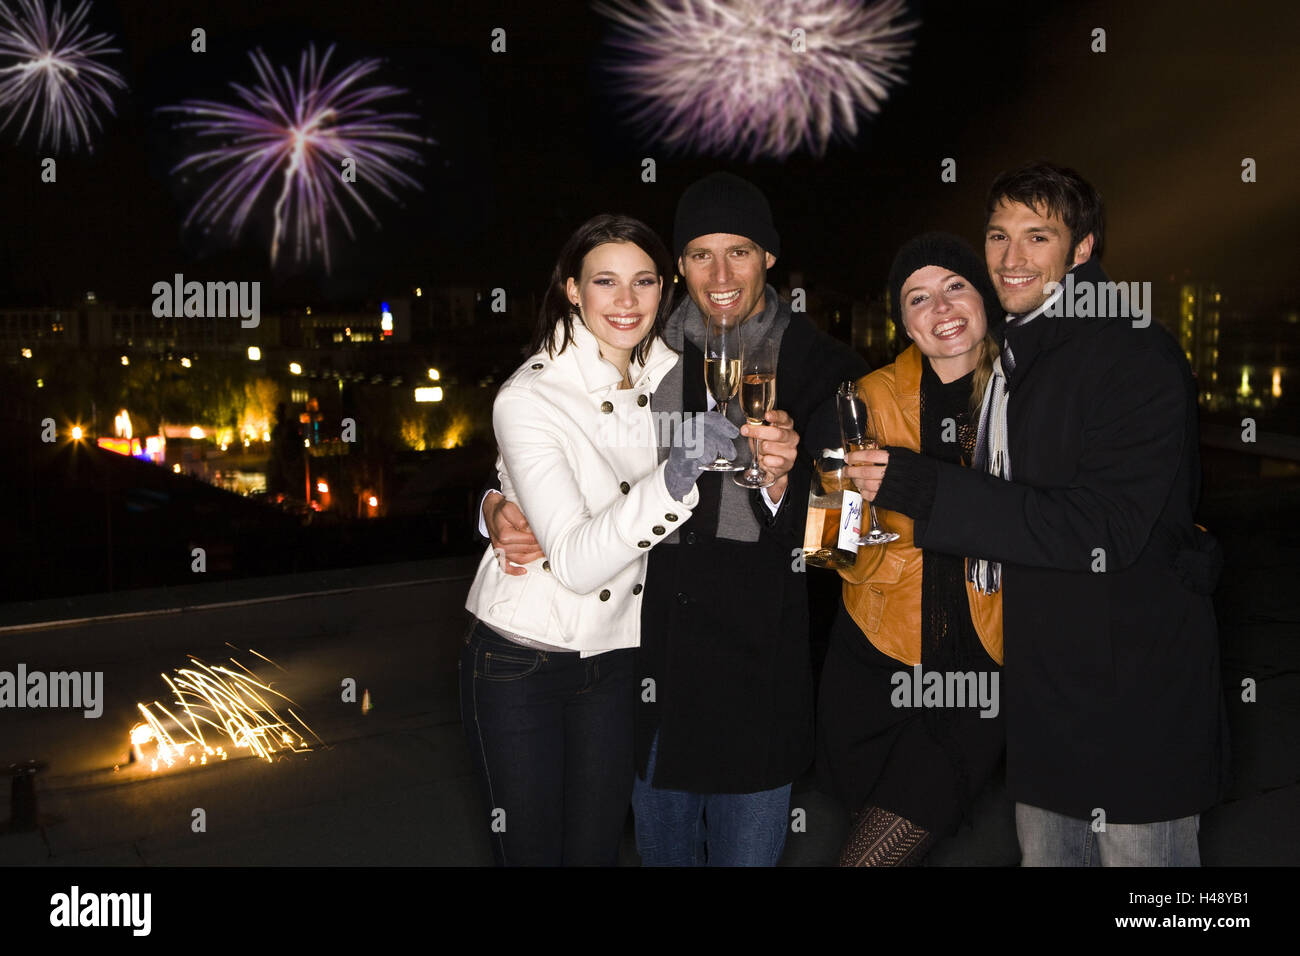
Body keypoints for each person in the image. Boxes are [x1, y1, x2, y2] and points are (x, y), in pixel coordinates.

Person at [849, 162, 1229, 866]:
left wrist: (926, 490)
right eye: (998, 236)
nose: (1011, 258)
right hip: (1044, 691)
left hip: (1131, 696)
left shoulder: (1129, 350)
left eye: (1037, 236)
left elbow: (1102, 528)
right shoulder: (1022, 353)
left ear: (1081, 249)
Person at [485, 172, 868, 865]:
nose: (720, 275)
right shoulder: (651, 351)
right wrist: (492, 502)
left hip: (759, 677)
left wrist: (788, 485)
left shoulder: (823, 366)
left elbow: (840, 544)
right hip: (649, 671)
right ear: (678, 269)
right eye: (698, 254)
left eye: (740, 252)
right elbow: (563, 432)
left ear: (769, 258)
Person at [462, 213, 739, 866]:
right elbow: (579, 564)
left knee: (594, 854)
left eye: (643, 281)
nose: (626, 301)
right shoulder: (529, 396)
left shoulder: (676, 374)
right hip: (522, 657)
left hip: (618, 656)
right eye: (605, 281)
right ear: (571, 290)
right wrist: (675, 477)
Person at [818, 233, 1006, 866]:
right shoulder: (864, 397)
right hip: (876, 659)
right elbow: (830, 544)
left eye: (956, 286)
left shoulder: (1027, 395)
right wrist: (836, 510)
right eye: (919, 298)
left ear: (984, 296)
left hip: (979, 669)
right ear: (904, 321)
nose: (942, 308)